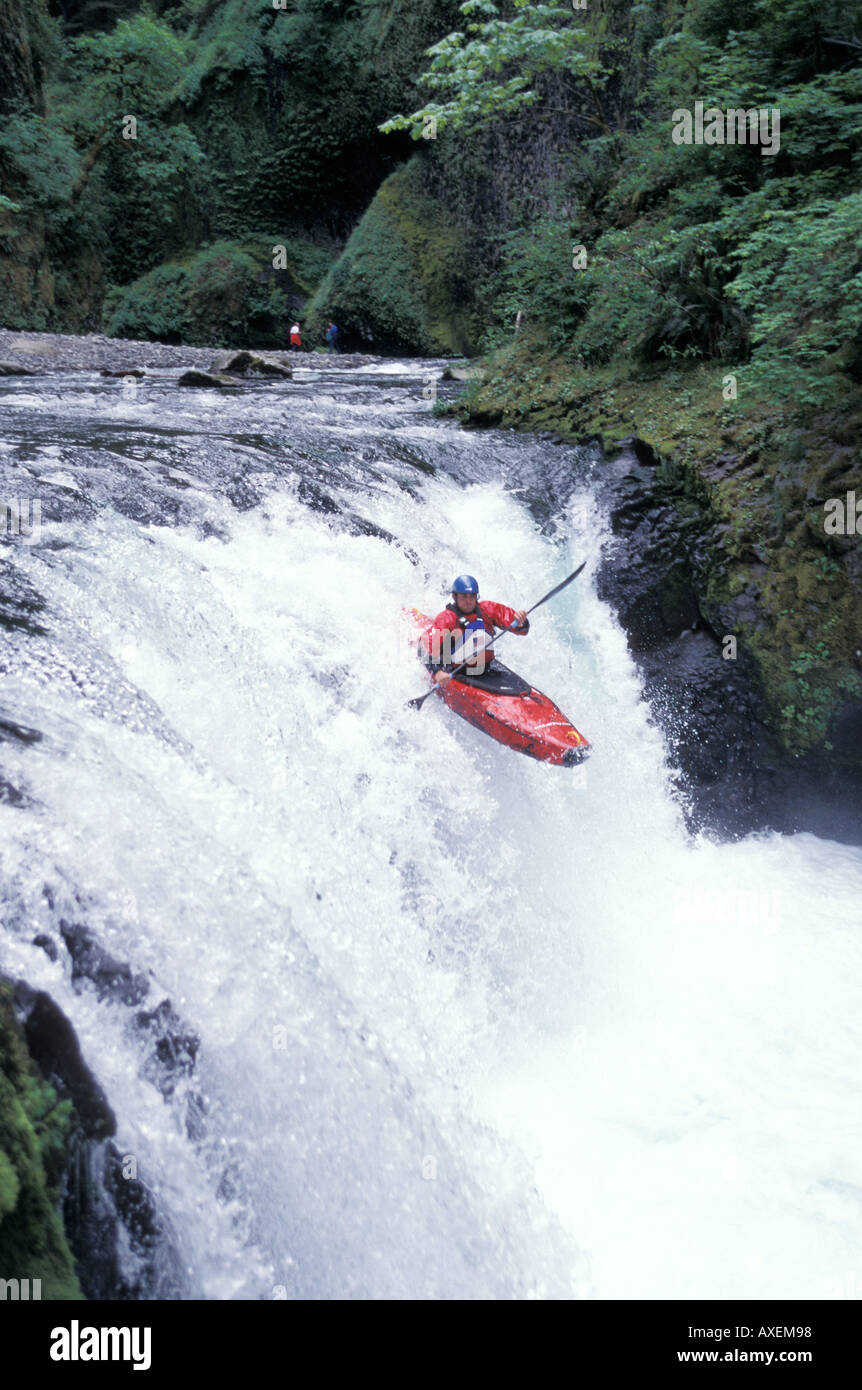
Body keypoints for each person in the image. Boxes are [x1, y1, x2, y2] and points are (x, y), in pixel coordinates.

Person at [420, 575, 528, 683]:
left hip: (486, 666)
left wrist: (521, 622)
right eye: (464, 596)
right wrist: (437, 672)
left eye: (472, 596)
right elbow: (423, 647)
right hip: (457, 669)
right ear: (454, 596)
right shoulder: (446, 618)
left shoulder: (488, 608)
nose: (468, 601)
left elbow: (521, 628)